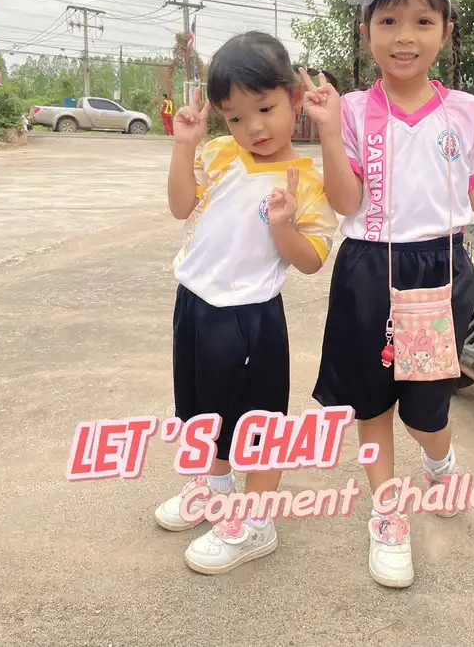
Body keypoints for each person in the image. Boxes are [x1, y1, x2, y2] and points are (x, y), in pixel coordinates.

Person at [299, 0, 474, 589]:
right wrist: (327, 131)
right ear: (367, 32)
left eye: (422, 21)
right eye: (388, 22)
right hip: (367, 268)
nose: (404, 37)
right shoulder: (351, 109)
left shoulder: (462, 110)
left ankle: (440, 464)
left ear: (445, 31)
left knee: (424, 412)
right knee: (370, 403)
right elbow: (345, 202)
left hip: (437, 270)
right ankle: (387, 513)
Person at [156, 30, 339, 575]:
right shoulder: (216, 154)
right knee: (200, 410)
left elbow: (311, 260)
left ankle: (257, 520)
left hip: (250, 316)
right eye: (236, 117)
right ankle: (215, 489)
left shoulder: (305, 181)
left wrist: (283, 226)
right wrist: (184, 144)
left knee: (258, 422)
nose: (253, 127)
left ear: (294, 99)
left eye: (264, 109)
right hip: (195, 301)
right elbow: (180, 206)